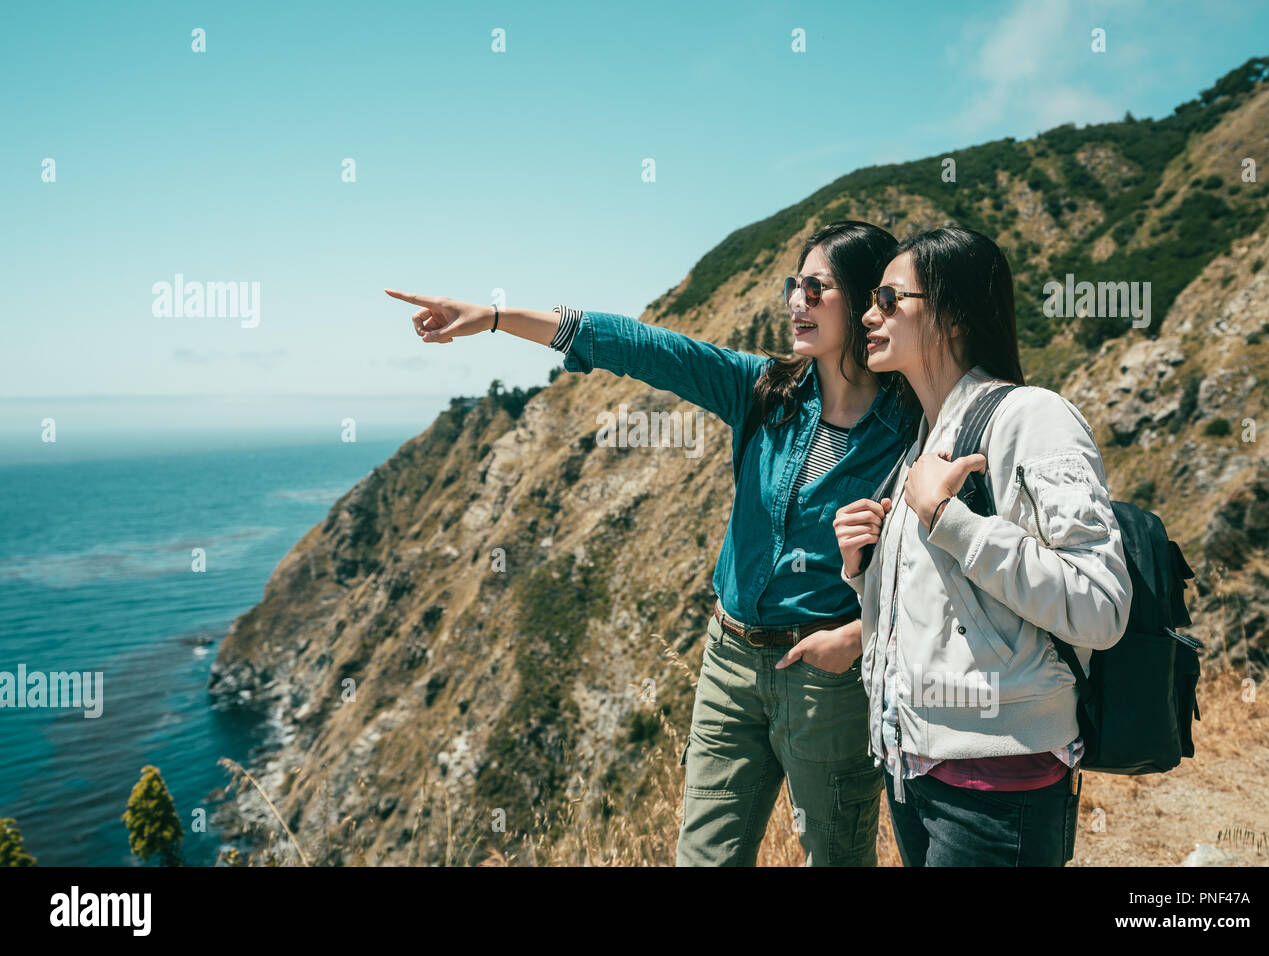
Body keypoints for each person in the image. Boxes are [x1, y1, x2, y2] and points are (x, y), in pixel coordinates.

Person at [385, 220, 919, 865]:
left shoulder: (911, 424)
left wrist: (861, 636)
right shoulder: (761, 390)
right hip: (729, 662)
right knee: (704, 858)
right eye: (793, 285)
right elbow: (641, 346)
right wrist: (495, 316)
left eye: (817, 287)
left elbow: (950, 558)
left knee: (837, 857)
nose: (795, 301)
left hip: (827, 680)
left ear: (864, 299)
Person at [833, 226, 1132, 866]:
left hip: (1000, 785)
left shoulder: (1033, 417)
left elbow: (1099, 605)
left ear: (952, 313)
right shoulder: (922, 441)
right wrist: (865, 570)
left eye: (889, 298)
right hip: (915, 771)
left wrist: (947, 516)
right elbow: (957, 607)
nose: (867, 314)